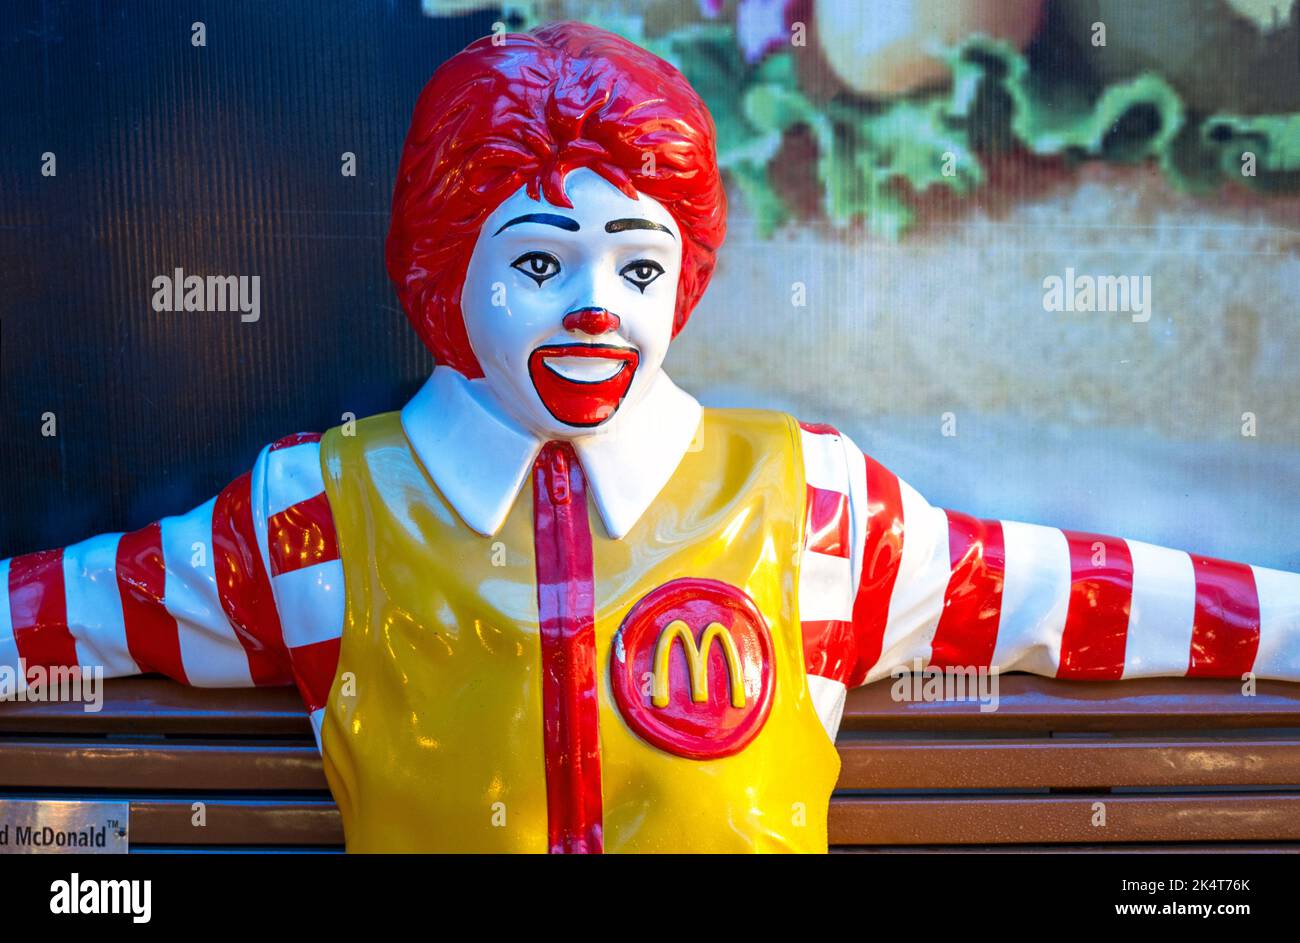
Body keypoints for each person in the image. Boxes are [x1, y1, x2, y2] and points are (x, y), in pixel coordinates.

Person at [2, 22, 1297, 853]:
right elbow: (67, 615)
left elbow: (1069, 596)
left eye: (635, 266)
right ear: (444, 272)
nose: (593, 308)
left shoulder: (817, 507)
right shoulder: (313, 521)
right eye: (539, 261)